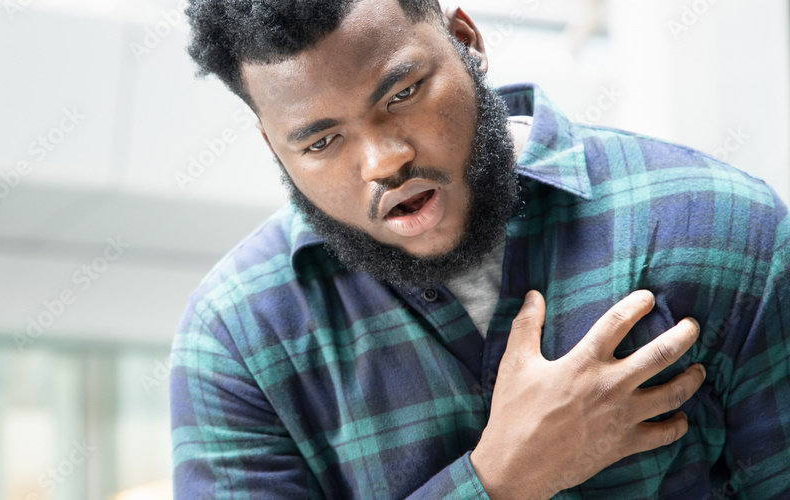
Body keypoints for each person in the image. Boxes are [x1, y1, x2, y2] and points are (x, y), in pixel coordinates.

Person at [169, 0, 790, 498]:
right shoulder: (236, 338)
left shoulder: (724, 227)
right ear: (273, 146)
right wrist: (502, 480)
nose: (384, 162)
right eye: (320, 142)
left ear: (466, 41)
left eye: (402, 94)